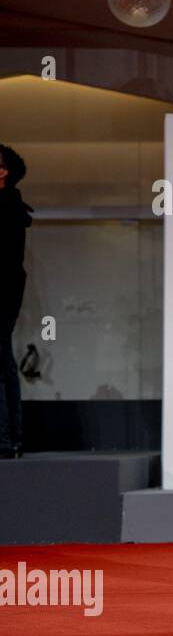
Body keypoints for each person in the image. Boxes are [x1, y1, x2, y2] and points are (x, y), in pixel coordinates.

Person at [0, 143, 33, 460]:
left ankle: (7, 439)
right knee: (3, 363)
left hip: (1, 296)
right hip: (6, 297)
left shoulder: (8, 207)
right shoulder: (10, 206)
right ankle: (10, 439)